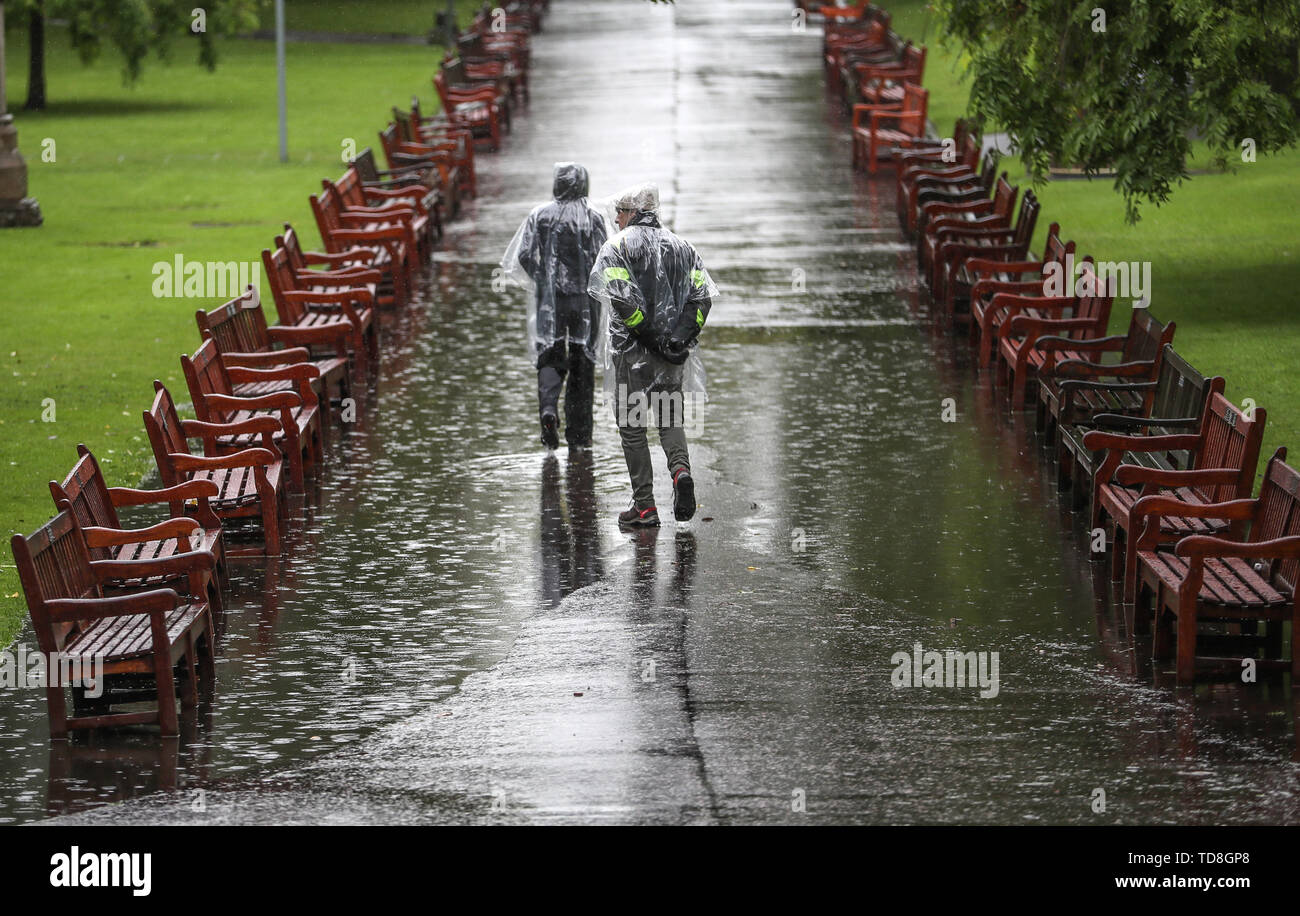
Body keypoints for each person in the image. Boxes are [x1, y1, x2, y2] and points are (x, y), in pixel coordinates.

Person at [587, 182, 718, 528]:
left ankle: (644, 507)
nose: (615, 219)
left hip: (631, 355)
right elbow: (702, 300)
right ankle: (680, 473)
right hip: (671, 357)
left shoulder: (616, 248)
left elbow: (621, 301)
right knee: (669, 420)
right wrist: (677, 340)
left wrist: (652, 337)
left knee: (632, 427)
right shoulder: (684, 248)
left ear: (634, 212)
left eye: (620, 211)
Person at [501, 162, 609, 449]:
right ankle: (579, 434)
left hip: (551, 302)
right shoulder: (594, 218)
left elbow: (523, 254)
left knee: (549, 354)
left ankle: (548, 409)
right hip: (585, 302)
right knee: (582, 362)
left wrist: (543, 277)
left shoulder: (540, 216)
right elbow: (604, 259)